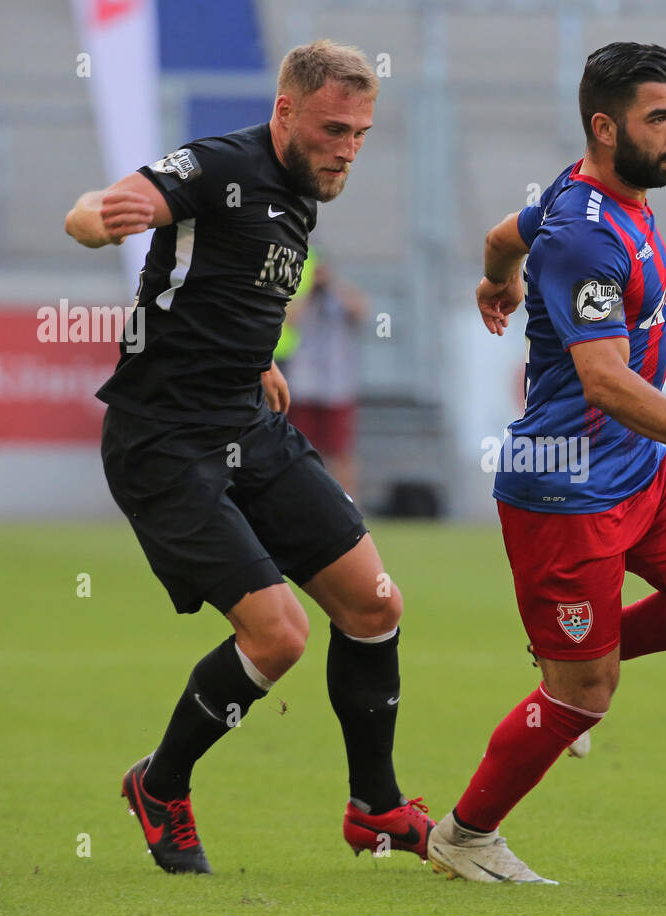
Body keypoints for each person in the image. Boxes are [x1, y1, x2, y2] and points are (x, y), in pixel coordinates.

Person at [426, 42, 666, 884]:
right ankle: (465, 834)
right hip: (564, 490)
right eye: (659, 118)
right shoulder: (583, 238)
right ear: (606, 126)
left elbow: (498, 235)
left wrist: (497, 280)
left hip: (636, 469)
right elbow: (604, 378)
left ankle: (585, 654)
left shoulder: (582, 189)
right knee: (582, 698)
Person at [63, 39, 433, 874]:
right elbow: (108, 206)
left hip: (245, 421)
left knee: (374, 604)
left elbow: (222, 281)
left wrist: (255, 358)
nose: (348, 148)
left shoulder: (304, 189)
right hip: (163, 438)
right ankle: (161, 784)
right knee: (279, 635)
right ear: (286, 111)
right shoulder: (214, 164)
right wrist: (93, 219)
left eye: (362, 133)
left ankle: (374, 807)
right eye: (335, 129)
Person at [277, 251, 366, 499]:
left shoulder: (341, 296)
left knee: (341, 451)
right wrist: (309, 290)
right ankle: (303, 500)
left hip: (337, 386)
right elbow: (290, 320)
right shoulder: (303, 299)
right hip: (304, 384)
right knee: (301, 448)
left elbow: (361, 311)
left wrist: (333, 286)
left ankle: (349, 503)